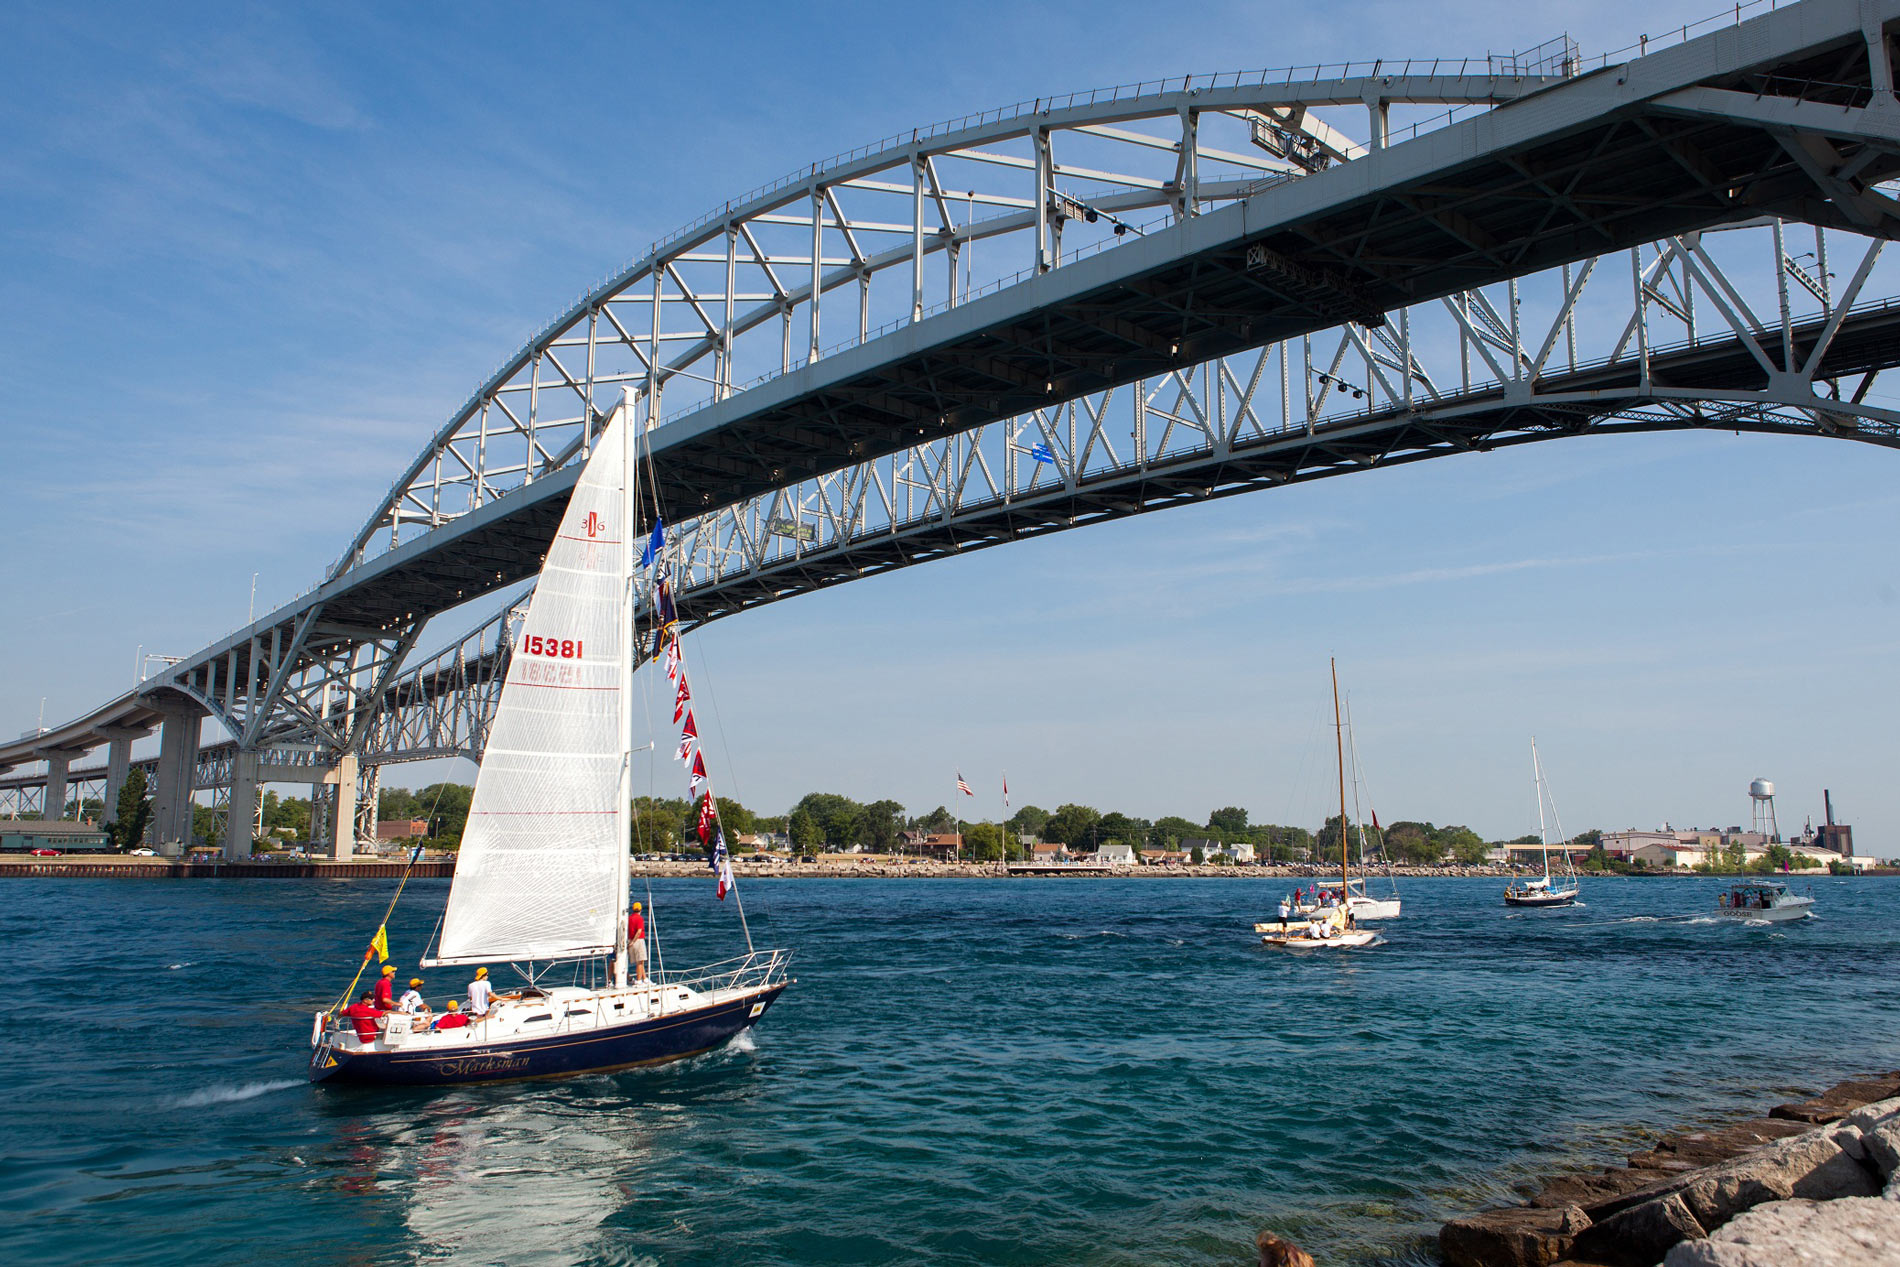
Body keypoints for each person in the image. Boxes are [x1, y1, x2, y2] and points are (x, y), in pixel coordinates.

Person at [628, 901, 649, 983]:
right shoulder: (639, 918)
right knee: (640, 962)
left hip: (630, 940)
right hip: (638, 940)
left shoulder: (629, 918)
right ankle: (639, 980)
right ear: (640, 909)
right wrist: (634, 941)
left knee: (641, 961)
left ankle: (645, 979)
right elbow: (639, 931)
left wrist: (631, 942)